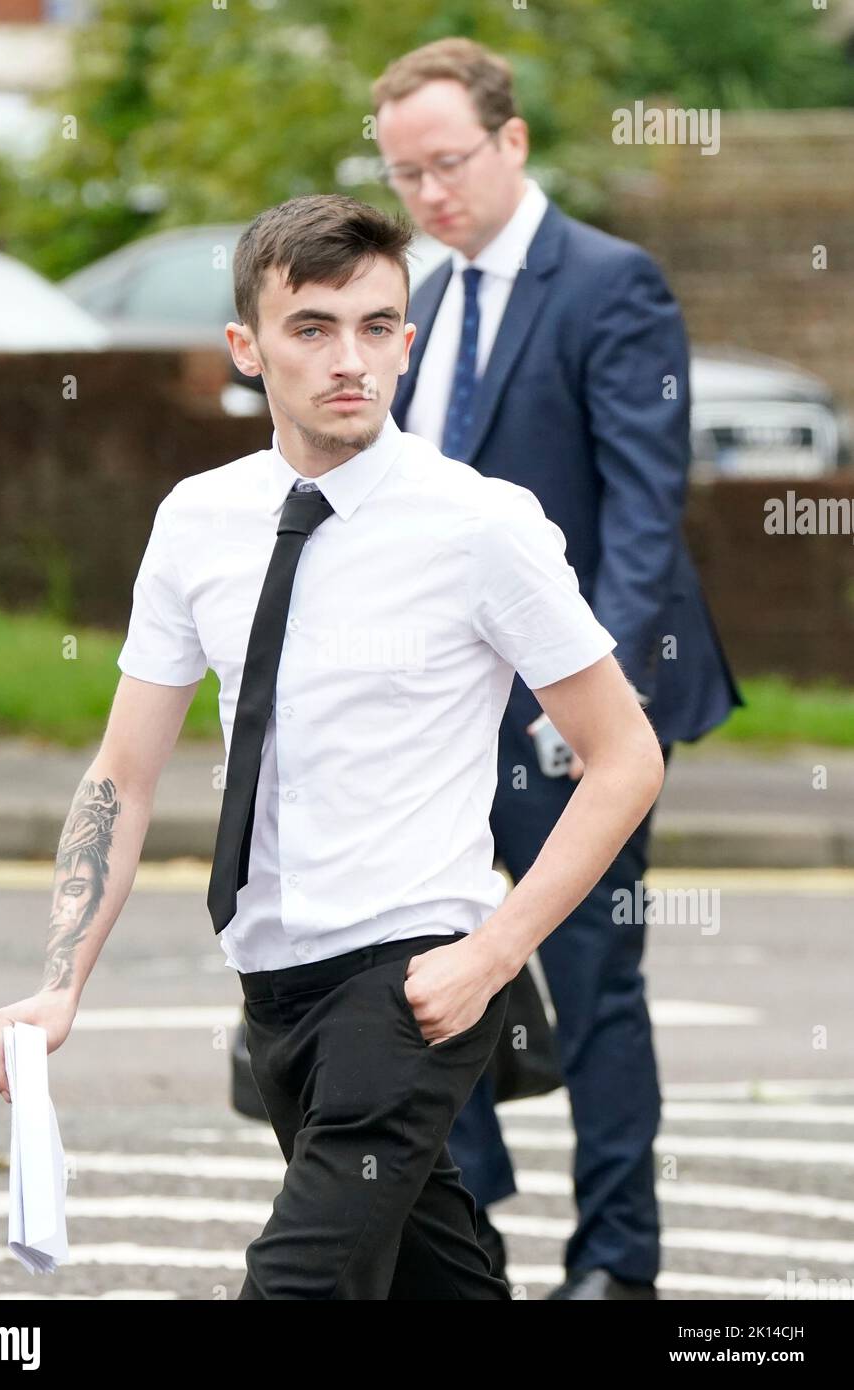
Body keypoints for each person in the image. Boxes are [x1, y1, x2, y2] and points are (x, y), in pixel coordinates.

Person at [0, 192, 665, 1301]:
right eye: (312, 327)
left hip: (410, 981)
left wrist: (491, 953)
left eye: (378, 326)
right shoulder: (197, 519)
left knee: (293, 1283)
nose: (352, 360)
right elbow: (123, 773)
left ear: (406, 336)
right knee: (435, 1279)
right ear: (245, 348)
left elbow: (624, 754)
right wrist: (58, 986)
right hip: (271, 984)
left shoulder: (478, 524)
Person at [373, 38, 743, 1298]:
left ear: (511, 142)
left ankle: (616, 1265)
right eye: (403, 173)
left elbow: (643, 510)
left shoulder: (607, 284)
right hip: (441, 704)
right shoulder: (412, 299)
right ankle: (460, 1226)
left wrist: (596, 696)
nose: (428, 194)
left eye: (447, 164)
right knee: (414, 962)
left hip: (580, 706)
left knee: (589, 983)